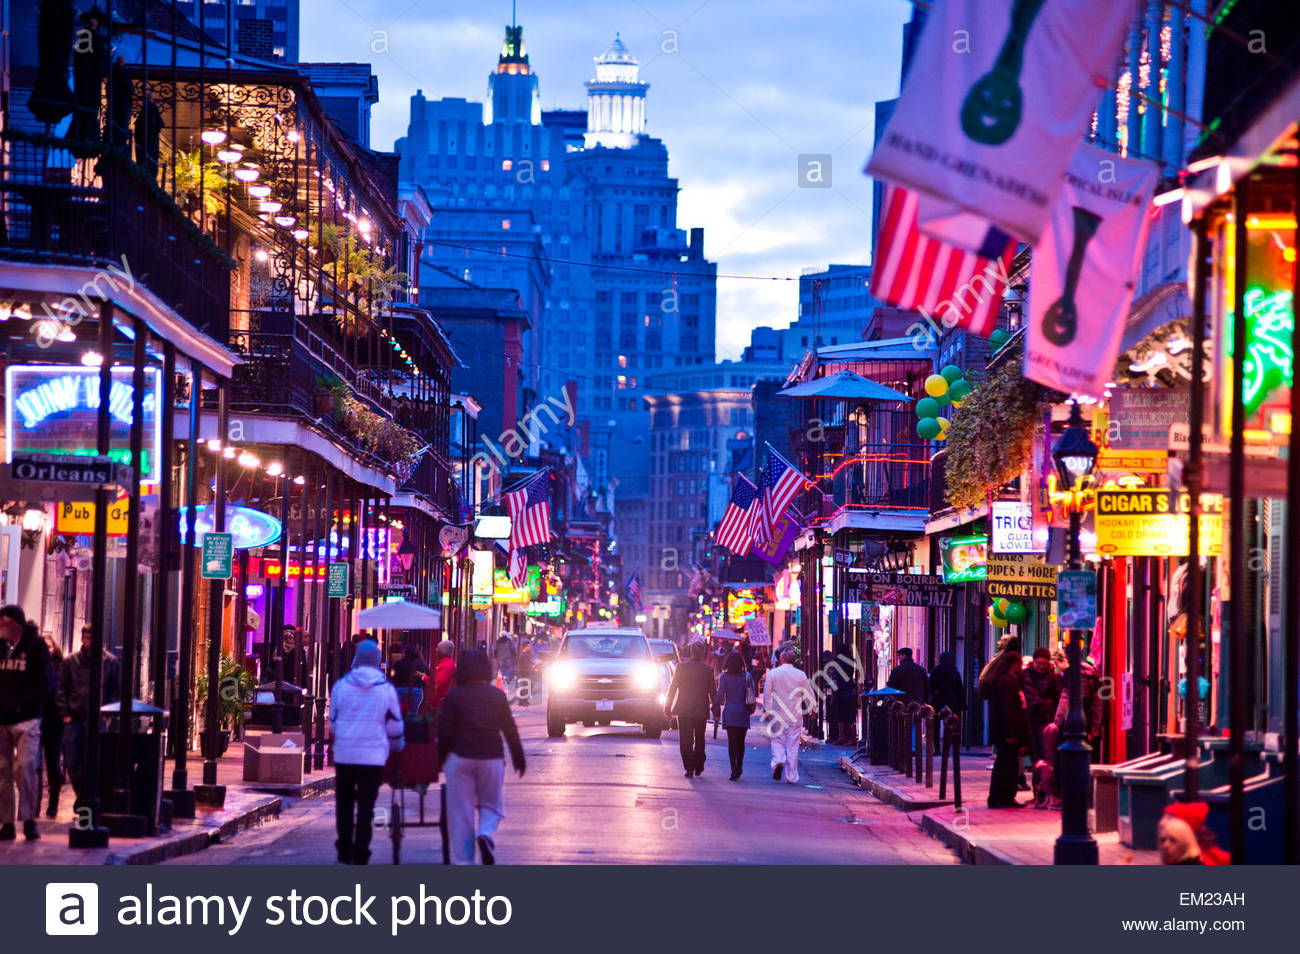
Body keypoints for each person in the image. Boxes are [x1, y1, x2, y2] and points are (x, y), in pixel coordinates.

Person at [436, 649, 526, 865]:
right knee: (491, 804)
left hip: (460, 757)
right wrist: (518, 757)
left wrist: (441, 759)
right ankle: (485, 833)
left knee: (462, 811)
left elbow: (444, 731)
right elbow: (509, 729)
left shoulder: (454, 696)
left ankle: (465, 860)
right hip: (491, 757)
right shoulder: (496, 696)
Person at [328, 640, 403, 865]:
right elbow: (395, 726)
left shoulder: (341, 687)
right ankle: (361, 850)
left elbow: (332, 723)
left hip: (345, 754)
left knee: (344, 802)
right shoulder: (386, 690)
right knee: (367, 805)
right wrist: (397, 746)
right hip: (373, 757)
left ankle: (343, 848)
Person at [0, 607, 54, 841]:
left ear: (14, 624)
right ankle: (7, 822)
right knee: (2, 772)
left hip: (27, 718)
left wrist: (25, 704)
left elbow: (46, 681)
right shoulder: (0, 647)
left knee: (25, 767)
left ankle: (29, 819)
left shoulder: (36, 646)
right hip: (1, 719)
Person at [57, 624, 120, 804]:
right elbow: (61, 688)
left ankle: (86, 800)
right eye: (87, 637)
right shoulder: (70, 662)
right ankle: (83, 796)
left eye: (93, 637)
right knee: (72, 761)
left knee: (92, 762)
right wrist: (65, 714)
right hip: (74, 719)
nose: (90, 641)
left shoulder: (110, 662)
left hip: (97, 720)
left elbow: (116, 690)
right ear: (82, 638)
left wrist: (107, 714)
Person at [664, 641, 716, 777]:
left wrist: (667, 708)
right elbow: (713, 692)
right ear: (703, 653)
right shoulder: (708, 670)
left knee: (685, 739)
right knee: (700, 738)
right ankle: (699, 764)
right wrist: (716, 711)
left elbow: (672, 688)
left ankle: (689, 766)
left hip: (684, 709)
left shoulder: (681, 668)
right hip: (700, 709)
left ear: (691, 652)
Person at [986, 648, 1029, 808]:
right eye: (1019, 664)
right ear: (1014, 664)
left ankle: (1007, 797)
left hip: (1010, 732)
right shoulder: (1006, 682)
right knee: (1005, 765)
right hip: (1007, 733)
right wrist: (1009, 733)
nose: (1021, 668)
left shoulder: (1011, 680)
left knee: (1010, 766)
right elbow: (1006, 709)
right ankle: (998, 797)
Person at [763, 648, 812, 784]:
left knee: (777, 740)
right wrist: (813, 708)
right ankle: (791, 776)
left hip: (778, 713)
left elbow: (767, 693)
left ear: (782, 659)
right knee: (793, 745)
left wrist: (767, 709)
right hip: (795, 714)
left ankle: (778, 760)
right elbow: (808, 693)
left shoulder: (773, 673)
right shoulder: (800, 675)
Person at [713, 652, 754, 780]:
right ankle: (739, 766)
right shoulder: (747, 676)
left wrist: (715, 708)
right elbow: (752, 693)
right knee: (741, 742)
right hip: (743, 711)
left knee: (732, 742)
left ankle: (733, 769)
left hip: (730, 711)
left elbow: (720, 695)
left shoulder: (724, 677)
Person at [1021, 647, 1062, 762]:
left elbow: (1057, 697)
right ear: (1033, 662)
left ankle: (1043, 778)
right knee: (1034, 753)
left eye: (1044, 664)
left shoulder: (1053, 677)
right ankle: (1037, 777)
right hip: (1029, 719)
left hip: (1045, 720)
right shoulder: (1024, 675)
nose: (1041, 666)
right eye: (1039, 663)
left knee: (1046, 753)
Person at [40, 637, 63, 818]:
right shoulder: (33, 666)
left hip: (54, 721)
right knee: (34, 765)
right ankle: (34, 804)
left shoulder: (61, 667)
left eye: (48, 646)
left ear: (54, 648)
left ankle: (53, 803)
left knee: (53, 764)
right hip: (36, 719)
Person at [388, 644, 429, 715]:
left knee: (399, 713)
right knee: (413, 713)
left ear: (405, 653)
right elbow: (427, 676)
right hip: (416, 690)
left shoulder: (398, 664)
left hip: (399, 690)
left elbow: (392, 676)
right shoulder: (421, 664)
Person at [928, 651, 966, 717]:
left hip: (938, 701)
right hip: (952, 702)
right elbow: (959, 689)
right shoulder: (955, 672)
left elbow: (931, 688)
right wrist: (962, 705)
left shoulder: (935, 671)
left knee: (936, 722)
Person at [431, 640, 457, 713]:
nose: (436, 650)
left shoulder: (446, 665)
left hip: (439, 703)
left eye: (438, 648)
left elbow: (438, 684)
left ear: (443, 651)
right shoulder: (445, 663)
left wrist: (425, 678)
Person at [515, 639, 534, 705]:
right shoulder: (523, 655)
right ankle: (522, 701)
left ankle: (525, 700)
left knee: (529, 686)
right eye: (528, 646)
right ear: (525, 647)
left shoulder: (528, 654)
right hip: (524, 673)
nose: (530, 647)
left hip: (527, 672)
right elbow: (522, 665)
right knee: (525, 687)